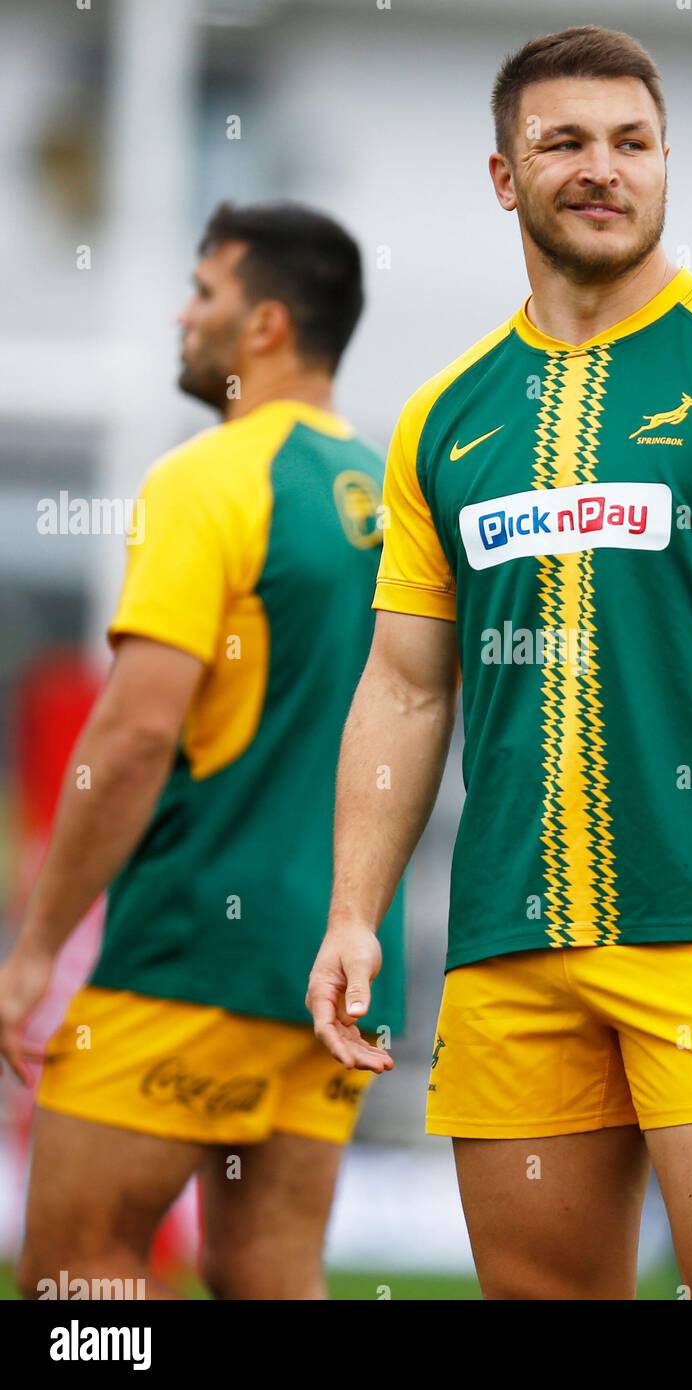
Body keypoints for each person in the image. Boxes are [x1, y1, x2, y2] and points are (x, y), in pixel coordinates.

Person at [308, 25, 692, 1300]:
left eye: (630, 142)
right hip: (508, 943)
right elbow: (407, 686)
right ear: (502, 174)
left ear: (664, 163)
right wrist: (354, 909)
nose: (602, 168)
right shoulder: (442, 414)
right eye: (564, 142)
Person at [0, 201, 404, 1300]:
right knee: (267, 1269)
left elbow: (131, 737)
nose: (186, 317)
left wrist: (34, 952)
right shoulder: (391, 496)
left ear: (266, 323)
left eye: (204, 293)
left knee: (77, 1282)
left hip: (190, 946)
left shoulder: (210, 475)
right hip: (340, 960)